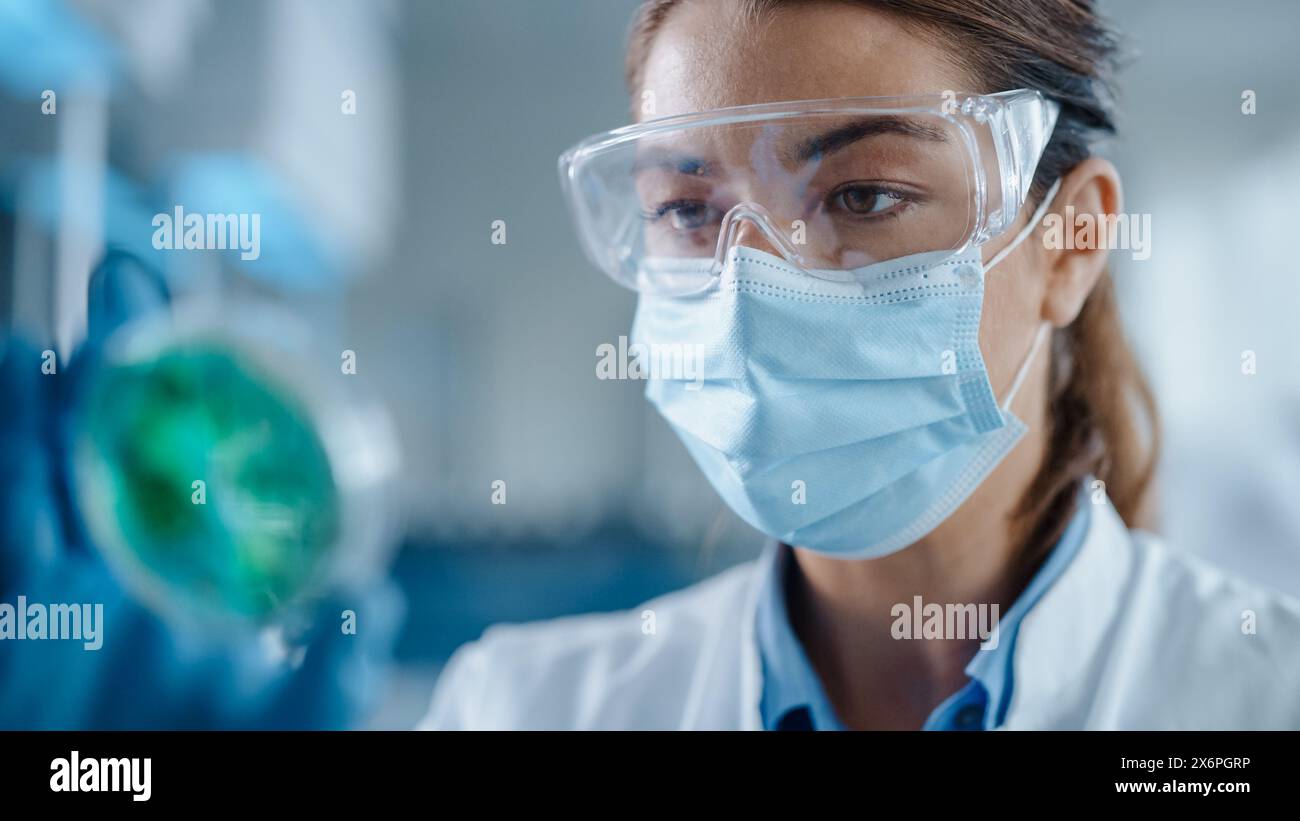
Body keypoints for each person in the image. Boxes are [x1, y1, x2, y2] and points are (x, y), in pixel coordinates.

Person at [422, 0, 1300, 730]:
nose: (751, 292)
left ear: (1071, 244)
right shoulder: (519, 708)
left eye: (864, 195)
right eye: (688, 210)